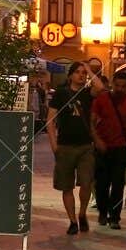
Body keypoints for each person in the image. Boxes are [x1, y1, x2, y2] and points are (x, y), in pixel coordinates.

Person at [47, 61, 97, 235]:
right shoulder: (60, 94)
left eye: (84, 73)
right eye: (78, 72)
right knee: (66, 186)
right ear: (70, 76)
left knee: (86, 182)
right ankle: (73, 221)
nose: (81, 75)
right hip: (65, 145)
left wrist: (89, 68)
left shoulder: (88, 93)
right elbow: (50, 121)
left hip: (85, 145)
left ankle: (82, 213)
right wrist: (54, 145)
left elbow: (100, 87)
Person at [91, 71, 126, 229]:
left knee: (118, 184)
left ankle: (115, 217)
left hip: (120, 147)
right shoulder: (101, 99)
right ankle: (102, 212)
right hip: (103, 148)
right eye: (117, 85)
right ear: (112, 84)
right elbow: (91, 121)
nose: (120, 89)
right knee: (102, 184)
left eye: (123, 86)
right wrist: (97, 140)